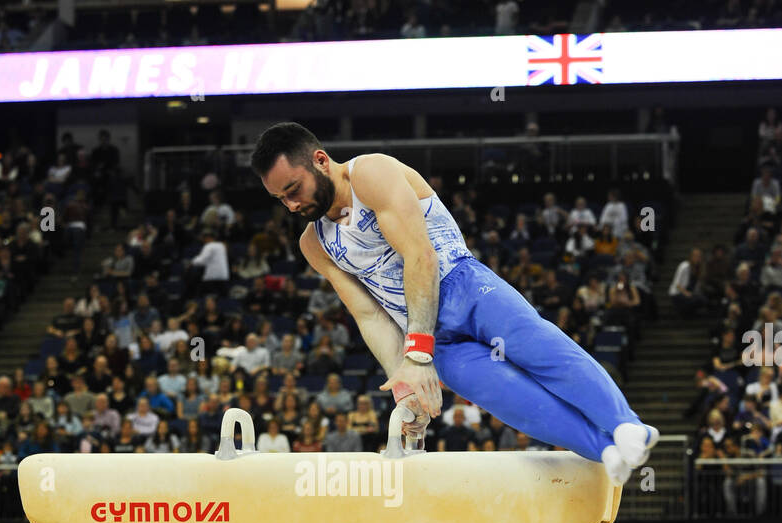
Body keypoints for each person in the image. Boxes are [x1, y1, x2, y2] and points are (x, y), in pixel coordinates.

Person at [251, 123, 656, 484]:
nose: (290, 205)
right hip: (436, 343)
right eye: (279, 199)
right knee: (510, 401)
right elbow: (368, 313)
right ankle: (604, 450)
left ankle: (624, 425)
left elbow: (420, 256)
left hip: (464, 287)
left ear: (320, 160)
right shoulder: (314, 243)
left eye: (293, 190)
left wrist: (418, 352)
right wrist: (404, 381)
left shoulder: (371, 174)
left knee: (538, 348)